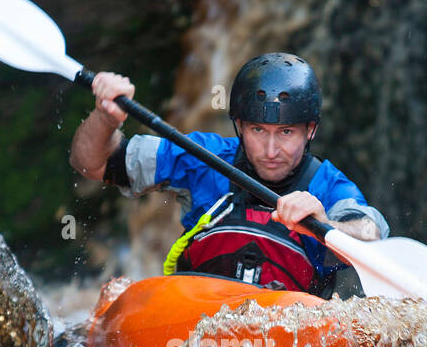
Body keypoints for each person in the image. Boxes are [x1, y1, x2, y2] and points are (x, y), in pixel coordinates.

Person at [69, 52, 389, 297]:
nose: (271, 149)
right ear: (239, 125)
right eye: (258, 130)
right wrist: (106, 118)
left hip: (287, 342)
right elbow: (92, 165)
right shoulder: (203, 156)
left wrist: (325, 225)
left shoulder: (329, 185)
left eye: (286, 132)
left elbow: (370, 233)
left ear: (311, 131)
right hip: (196, 319)